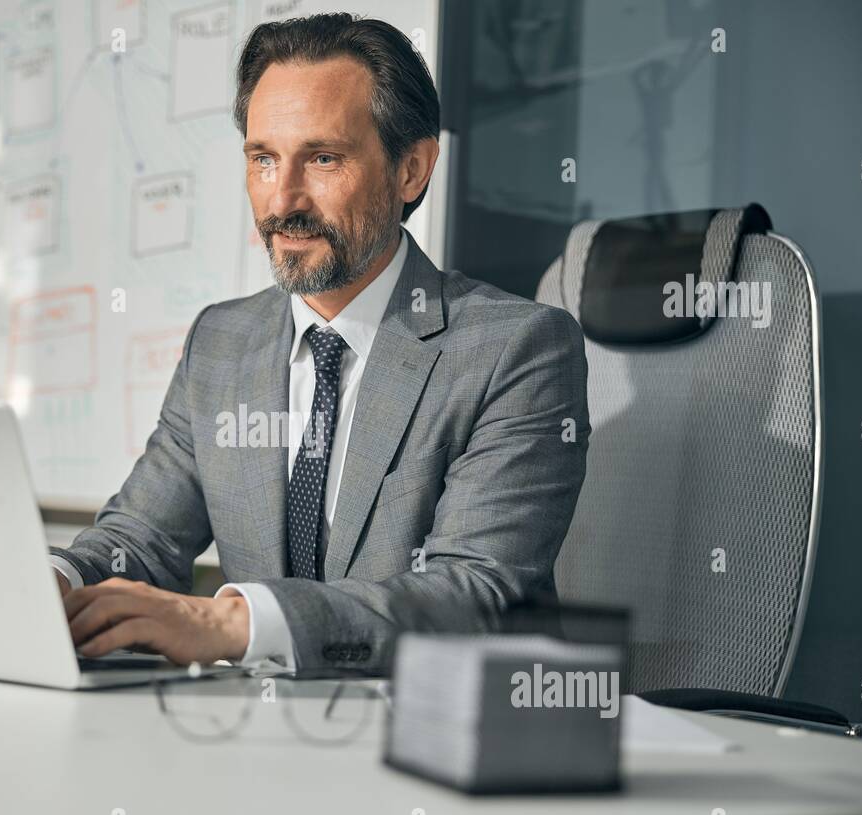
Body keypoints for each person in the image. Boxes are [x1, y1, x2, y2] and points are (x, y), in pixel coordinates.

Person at [49, 13, 589, 677]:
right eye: (263, 159)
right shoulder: (223, 343)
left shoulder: (516, 349)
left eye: (324, 158)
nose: (284, 201)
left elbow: (476, 597)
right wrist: (54, 582)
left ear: (411, 169)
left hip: (431, 745)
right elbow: (142, 538)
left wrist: (229, 623)